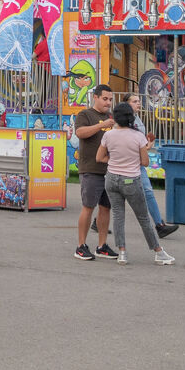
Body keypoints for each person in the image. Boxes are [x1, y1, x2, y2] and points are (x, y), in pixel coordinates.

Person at [102, 103, 173, 264]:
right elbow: (145, 162)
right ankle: (158, 252)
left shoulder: (109, 135)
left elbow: (100, 157)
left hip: (111, 178)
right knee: (143, 218)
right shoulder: (138, 136)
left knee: (118, 216)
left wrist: (115, 161)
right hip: (131, 180)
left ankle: (122, 252)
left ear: (115, 117)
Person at [72, 88, 116, 261]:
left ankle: (101, 245)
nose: (108, 102)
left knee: (106, 208)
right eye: (105, 98)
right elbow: (80, 133)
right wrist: (101, 125)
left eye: (110, 99)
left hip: (109, 170)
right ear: (95, 97)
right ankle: (80, 246)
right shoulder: (85, 114)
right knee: (88, 207)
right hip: (90, 169)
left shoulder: (111, 117)